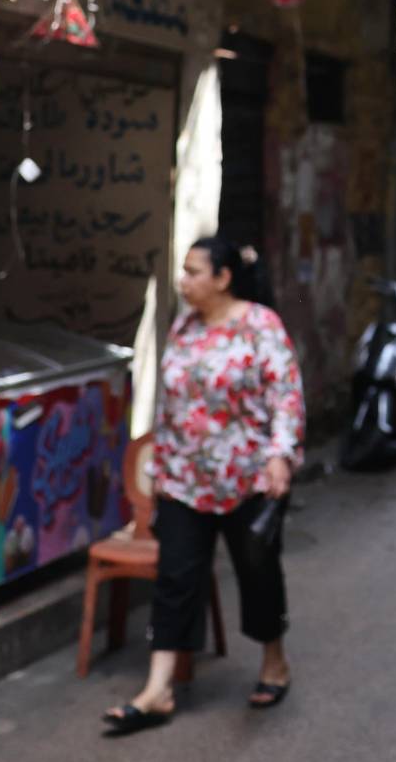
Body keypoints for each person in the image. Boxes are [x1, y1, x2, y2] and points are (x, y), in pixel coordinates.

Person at [102, 238, 304, 736]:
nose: (184, 281)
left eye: (193, 272)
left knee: (257, 573)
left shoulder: (261, 326)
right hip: (185, 481)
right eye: (184, 271)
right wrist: (162, 469)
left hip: (247, 477)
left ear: (223, 278)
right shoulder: (185, 327)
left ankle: (274, 661)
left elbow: (286, 396)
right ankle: (158, 689)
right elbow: (171, 406)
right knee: (175, 579)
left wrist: (280, 454)